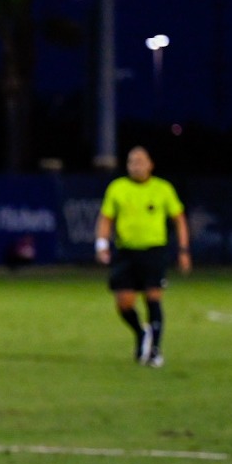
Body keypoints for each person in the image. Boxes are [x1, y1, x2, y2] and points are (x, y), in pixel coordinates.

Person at [94, 146, 191, 368]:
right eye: (132, 162)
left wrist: (184, 250)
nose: (136, 166)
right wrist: (101, 244)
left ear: (150, 165)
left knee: (153, 298)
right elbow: (106, 218)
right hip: (126, 252)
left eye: (140, 161)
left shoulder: (163, 188)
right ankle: (141, 332)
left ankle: (155, 351)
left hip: (154, 251)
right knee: (124, 303)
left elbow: (179, 219)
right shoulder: (118, 187)